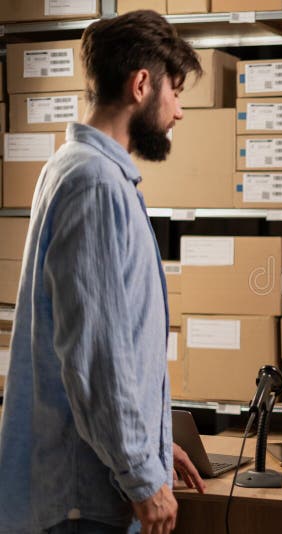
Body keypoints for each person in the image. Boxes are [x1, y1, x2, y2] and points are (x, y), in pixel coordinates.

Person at [0, 10, 204, 534]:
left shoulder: (77, 168)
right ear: (141, 85)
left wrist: (155, 445)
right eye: (175, 92)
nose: (178, 112)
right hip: (87, 501)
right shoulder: (94, 183)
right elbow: (96, 355)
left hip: (92, 483)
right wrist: (140, 474)